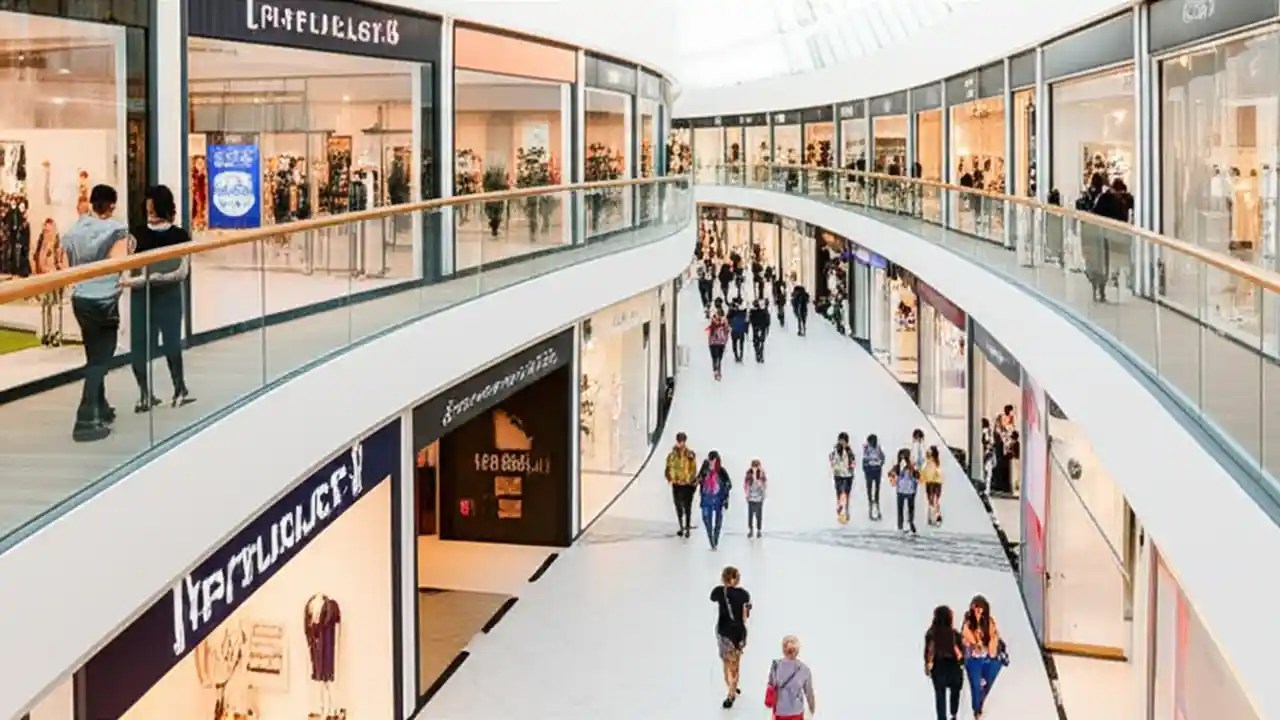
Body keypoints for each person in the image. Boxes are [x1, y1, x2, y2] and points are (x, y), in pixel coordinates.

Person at [63, 184, 131, 442]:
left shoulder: (74, 230)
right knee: (100, 359)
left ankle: (100, 407)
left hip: (80, 298)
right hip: (105, 299)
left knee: (93, 353)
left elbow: (65, 263)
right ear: (112, 205)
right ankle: (85, 418)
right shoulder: (116, 230)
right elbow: (120, 262)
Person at [123, 185, 195, 413]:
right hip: (157, 294)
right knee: (148, 345)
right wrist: (154, 277)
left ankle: (172, 389)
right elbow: (181, 271)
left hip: (155, 294)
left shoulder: (176, 235)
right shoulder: (141, 234)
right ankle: (153, 392)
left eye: (152, 205)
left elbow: (182, 271)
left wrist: (147, 278)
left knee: (164, 344)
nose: (149, 210)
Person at [710, 566, 751, 708]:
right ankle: (732, 689)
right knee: (736, 664)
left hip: (723, 633)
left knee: (726, 663)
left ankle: (730, 690)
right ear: (736, 579)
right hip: (738, 633)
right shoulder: (744, 594)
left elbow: (712, 598)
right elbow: (745, 617)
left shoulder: (718, 592)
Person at [962, 595, 1003, 718]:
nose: (977, 612)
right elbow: (965, 637)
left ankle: (980, 702)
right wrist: (974, 644)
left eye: (980, 609)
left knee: (986, 683)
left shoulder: (989, 622)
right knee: (975, 684)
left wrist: (991, 648)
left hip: (988, 658)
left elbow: (994, 637)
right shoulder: (968, 622)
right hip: (974, 659)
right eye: (975, 609)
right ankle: (977, 709)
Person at [29, 218, 66, 347]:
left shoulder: (58, 245)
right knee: (46, 306)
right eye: (45, 230)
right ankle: (46, 332)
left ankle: (56, 332)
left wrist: (59, 271)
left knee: (56, 306)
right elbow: (35, 258)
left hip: (55, 278)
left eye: (49, 230)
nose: (47, 233)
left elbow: (62, 262)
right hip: (44, 279)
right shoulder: (40, 245)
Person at [925, 605, 965, 720]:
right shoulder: (954, 634)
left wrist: (928, 666)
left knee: (940, 696)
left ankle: (942, 718)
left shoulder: (931, 634)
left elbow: (928, 652)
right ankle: (953, 714)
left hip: (938, 668)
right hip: (953, 667)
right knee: (955, 691)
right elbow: (961, 655)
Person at [766, 635, 816, 720]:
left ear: (783, 650)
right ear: (797, 650)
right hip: (796, 712)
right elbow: (809, 693)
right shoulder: (804, 669)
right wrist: (812, 709)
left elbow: (771, 685)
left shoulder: (776, 666)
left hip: (780, 711)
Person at [664, 431, 698, 537]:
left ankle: (687, 527)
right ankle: (681, 526)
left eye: (682, 441)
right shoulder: (672, 455)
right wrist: (669, 477)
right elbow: (668, 467)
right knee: (678, 505)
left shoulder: (689, 454)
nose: (680, 443)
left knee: (687, 507)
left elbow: (693, 467)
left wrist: (691, 479)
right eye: (679, 441)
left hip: (687, 484)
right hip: (676, 483)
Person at [698, 451, 731, 550]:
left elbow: (729, 484)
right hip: (706, 497)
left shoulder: (721, 471)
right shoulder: (705, 469)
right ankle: (711, 538)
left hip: (718, 498)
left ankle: (715, 540)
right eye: (710, 459)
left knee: (718, 519)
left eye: (714, 460)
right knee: (706, 518)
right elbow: (698, 479)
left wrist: (725, 495)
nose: (711, 462)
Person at [889, 448, 919, 534]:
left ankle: (903, 526)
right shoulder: (908, 466)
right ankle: (906, 525)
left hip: (903, 490)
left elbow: (890, 474)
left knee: (903, 509)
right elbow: (917, 476)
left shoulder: (907, 466)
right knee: (908, 509)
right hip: (908, 490)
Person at [829, 432, 855, 524]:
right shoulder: (835, 450)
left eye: (844, 441)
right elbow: (831, 460)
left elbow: (853, 462)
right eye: (841, 440)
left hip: (848, 476)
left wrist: (851, 467)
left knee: (846, 494)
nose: (842, 442)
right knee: (839, 493)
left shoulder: (849, 451)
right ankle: (840, 511)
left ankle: (846, 511)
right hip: (838, 475)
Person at [861, 433, 885, 521]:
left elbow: (882, 457)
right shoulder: (866, 448)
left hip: (877, 469)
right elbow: (864, 459)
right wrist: (866, 467)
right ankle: (870, 506)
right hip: (870, 470)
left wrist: (880, 463)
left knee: (877, 489)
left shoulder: (878, 447)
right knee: (870, 489)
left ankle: (876, 506)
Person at [921, 445, 945, 527]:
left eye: (929, 451)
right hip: (934, 481)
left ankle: (934, 517)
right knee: (933, 500)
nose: (928, 452)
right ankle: (934, 517)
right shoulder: (934, 461)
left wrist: (922, 478)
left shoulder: (931, 462)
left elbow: (926, 471)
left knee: (932, 500)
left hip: (932, 481)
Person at [744, 458, 767, 538]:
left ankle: (759, 530)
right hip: (751, 498)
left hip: (759, 498)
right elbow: (746, 485)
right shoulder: (748, 473)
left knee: (759, 515)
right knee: (750, 515)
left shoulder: (761, 474)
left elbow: (764, 486)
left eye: (757, 466)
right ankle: (750, 530)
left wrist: (763, 495)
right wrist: (747, 495)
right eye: (754, 466)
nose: (755, 468)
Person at [707, 310, 729, 381]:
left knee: (716, 358)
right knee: (718, 358)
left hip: (715, 343)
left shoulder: (715, 321)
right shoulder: (722, 322)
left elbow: (711, 333)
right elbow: (726, 332)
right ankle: (717, 372)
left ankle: (716, 371)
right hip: (718, 343)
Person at [748, 298, 771, 363]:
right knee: (762, 342)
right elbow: (767, 320)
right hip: (762, 328)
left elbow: (749, 320)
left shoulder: (752, 312)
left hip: (755, 328)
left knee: (756, 342)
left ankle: (758, 353)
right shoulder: (763, 311)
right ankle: (760, 354)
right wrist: (767, 326)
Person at [727, 298, 749, 362]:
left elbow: (728, 318)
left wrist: (730, 325)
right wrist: (746, 329)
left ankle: (736, 356)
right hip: (741, 329)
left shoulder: (732, 311)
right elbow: (746, 320)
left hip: (735, 329)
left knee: (734, 343)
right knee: (741, 343)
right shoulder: (743, 311)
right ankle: (741, 355)